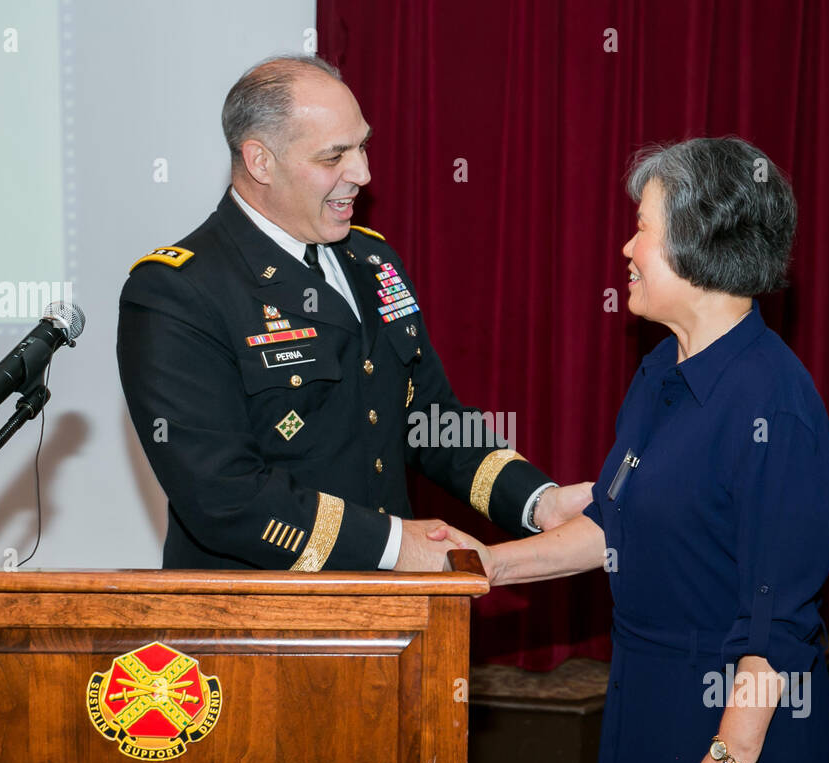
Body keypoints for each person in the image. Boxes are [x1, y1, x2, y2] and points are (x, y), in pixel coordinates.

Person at [450, 138, 829, 763]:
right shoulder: (663, 369)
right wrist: (481, 565)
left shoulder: (774, 406)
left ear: (701, 245)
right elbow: (614, 523)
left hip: (734, 721)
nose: (627, 246)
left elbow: (778, 628)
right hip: (648, 695)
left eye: (644, 226)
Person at [117, 55, 589, 571]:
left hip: (393, 612)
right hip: (259, 622)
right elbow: (223, 497)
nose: (362, 173)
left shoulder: (371, 258)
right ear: (260, 162)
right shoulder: (176, 292)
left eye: (362, 145)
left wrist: (537, 501)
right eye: (333, 156)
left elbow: (430, 419)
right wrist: (393, 545)